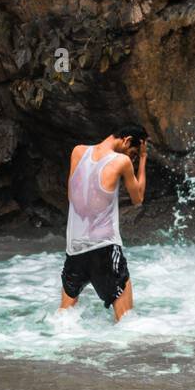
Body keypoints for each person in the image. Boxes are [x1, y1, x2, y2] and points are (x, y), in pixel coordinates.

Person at [59, 126, 148, 321]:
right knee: (126, 321)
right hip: (105, 248)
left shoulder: (78, 151)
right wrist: (142, 159)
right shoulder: (121, 161)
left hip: (75, 248)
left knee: (63, 319)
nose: (131, 157)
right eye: (132, 152)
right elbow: (138, 198)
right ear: (126, 140)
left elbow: (72, 195)